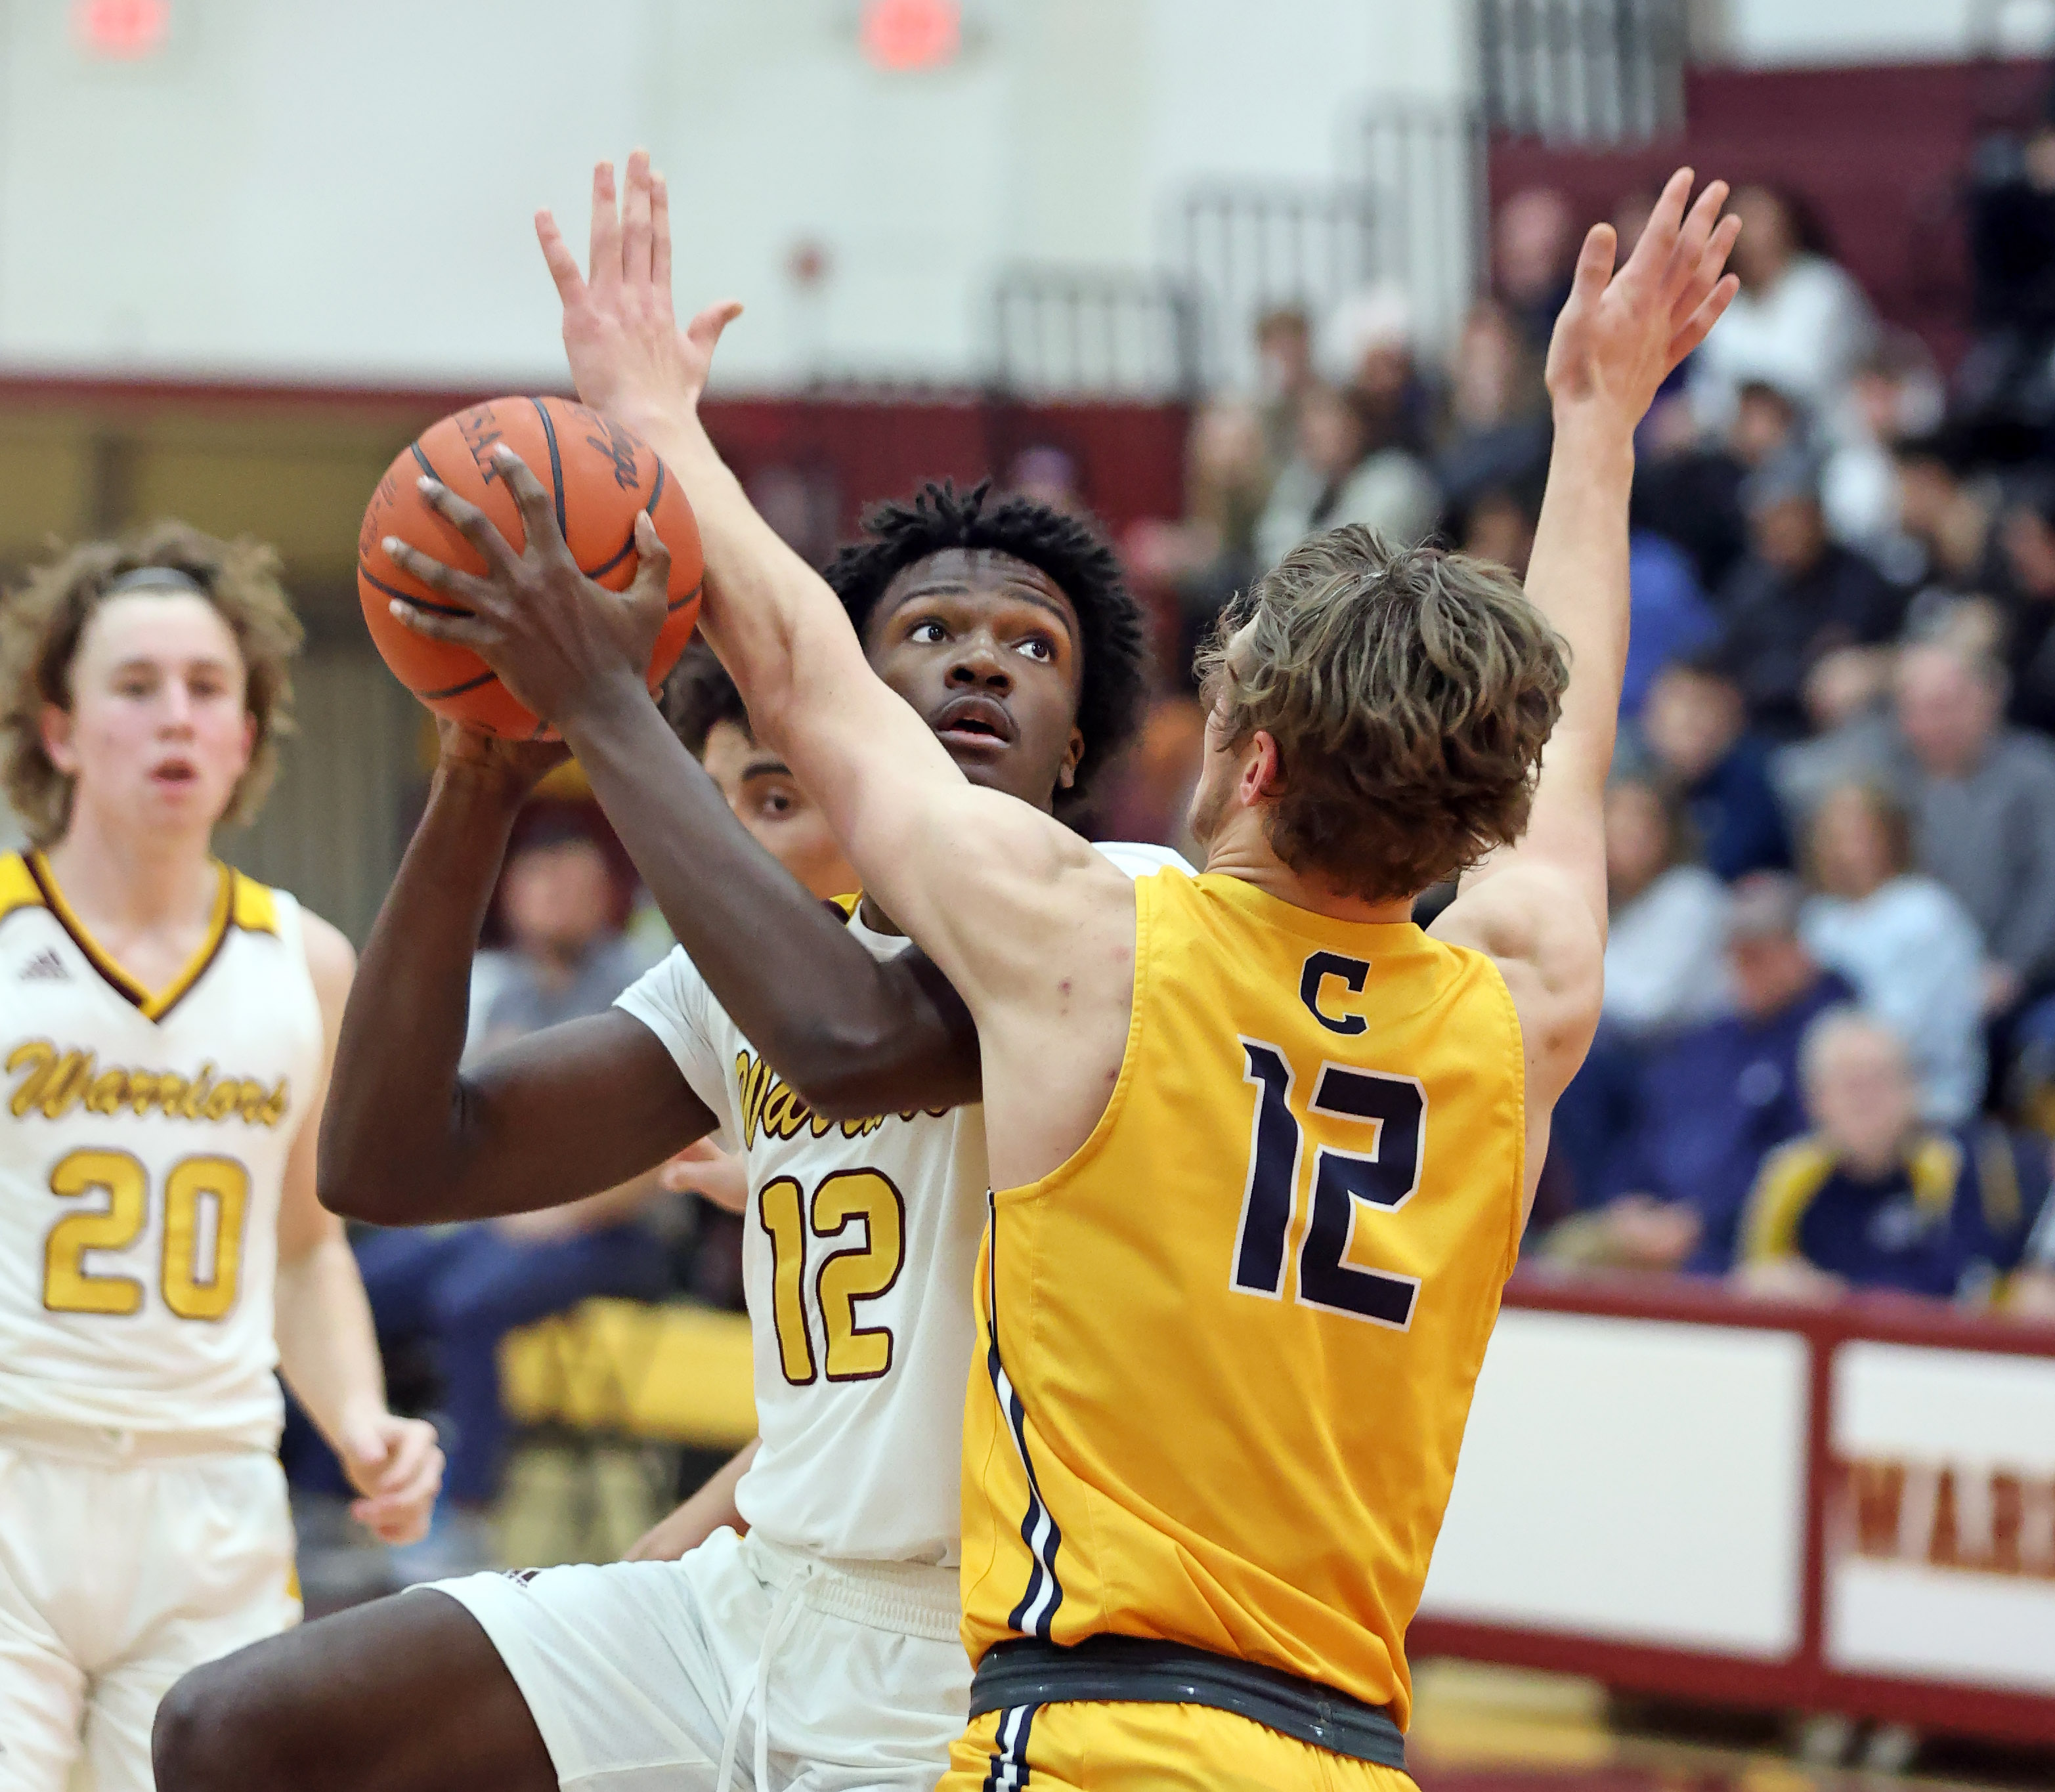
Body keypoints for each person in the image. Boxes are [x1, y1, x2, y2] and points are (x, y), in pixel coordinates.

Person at [460, 159, 1735, 1788]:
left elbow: (802, 677)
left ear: (1251, 761)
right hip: (1343, 1750)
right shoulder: (1515, 1004)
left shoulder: (1100, 942)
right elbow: (1568, 758)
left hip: (1094, 1734)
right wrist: (1598, 428)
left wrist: (652, 415)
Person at [152, 309, 1181, 1792]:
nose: (981, 663)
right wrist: (483, 780)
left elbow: (844, 1043)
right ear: (835, 704)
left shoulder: (1125, 912)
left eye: (1033, 647)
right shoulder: (758, 974)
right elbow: (388, 1160)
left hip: (982, 1645)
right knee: (233, 1729)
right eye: (930, 635)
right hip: (754, 1600)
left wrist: (599, 699)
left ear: (1077, 746)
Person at [0, 526, 442, 1791]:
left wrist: (361, 1421)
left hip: (213, 1501)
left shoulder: (307, 963)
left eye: (207, 688)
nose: (175, 718)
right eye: (135, 687)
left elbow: (303, 1249)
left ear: (247, 734)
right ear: (61, 731)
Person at [1546, 874, 1851, 1275]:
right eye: (1733, 954)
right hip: (1650, 1221)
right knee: (1559, 1258)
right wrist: (1625, 1202)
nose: (1742, 969)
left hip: (1743, 1243)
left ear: (1798, 951)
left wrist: (1702, 1219)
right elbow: (1649, 1125)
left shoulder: (1830, 1039)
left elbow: (1797, 1155)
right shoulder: (1709, 1040)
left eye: (1757, 954)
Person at [1737, 1012, 2033, 1303]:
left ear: (1913, 1090)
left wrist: (1838, 1297)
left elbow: (1967, 1286)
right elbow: (1753, 1279)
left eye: (1881, 1080)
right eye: (1851, 1085)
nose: (1866, 1101)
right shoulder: (1791, 1175)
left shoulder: (1954, 1165)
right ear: (1815, 1099)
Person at [1799, 781, 1986, 1125]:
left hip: (1928, 1101)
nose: (1845, 850)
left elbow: (1917, 1030)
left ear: (1892, 838)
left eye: (1859, 836)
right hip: (1832, 1104)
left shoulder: (1926, 910)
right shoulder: (1819, 919)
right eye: (1833, 837)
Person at [1894, 639, 2055, 1021]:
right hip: (1913, 984)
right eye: (1916, 709)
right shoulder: (1890, 783)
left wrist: (2012, 967)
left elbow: (2048, 886)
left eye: (1945, 707)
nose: (1932, 725)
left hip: (2017, 981)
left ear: (1988, 700)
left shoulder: (2034, 776)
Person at [1715, 446, 1907, 740]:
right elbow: (1734, 671)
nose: (1783, 531)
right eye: (1771, 521)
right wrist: (1806, 676)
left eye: (1793, 517)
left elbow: (1895, 649)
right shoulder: (1745, 589)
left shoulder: (1862, 581)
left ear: (1818, 518)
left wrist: (1868, 667)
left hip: (1856, 727)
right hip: (1765, 729)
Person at [1689, 183, 1876, 445]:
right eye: (1740, 222)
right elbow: (1708, 394)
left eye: (1760, 219)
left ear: (1787, 226)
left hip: (1826, 440)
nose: (1751, 235)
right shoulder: (1718, 303)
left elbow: (1808, 375)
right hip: (1733, 446)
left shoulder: (1823, 288)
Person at [1253, 383, 1438, 572]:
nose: (1312, 435)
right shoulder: (1304, 479)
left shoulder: (1396, 484)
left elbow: (1353, 561)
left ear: (1356, 426)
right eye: (1308, 425)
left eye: (1326, 423)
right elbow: (1270, 543)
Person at [1636, 656, 1789, 880]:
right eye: (1680, 706)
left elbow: (1727, 865)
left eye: (1702, 709)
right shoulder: (1628, 776)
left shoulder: (1754, 780)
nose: (1690, 722)